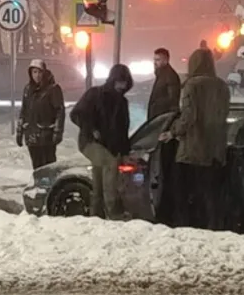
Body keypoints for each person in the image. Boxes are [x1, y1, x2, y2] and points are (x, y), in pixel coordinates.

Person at [160, 48, 231, 230]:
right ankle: (214, 226)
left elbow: (188, 117)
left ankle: (189, 226)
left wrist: (172, 132)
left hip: (194, 148)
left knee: (185, 191)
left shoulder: (192, 85)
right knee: (211, 192)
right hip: (216, 149)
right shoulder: (222, 86)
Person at [70, 64, 133, 220]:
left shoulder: (123, 103)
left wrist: (124, 152)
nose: (122, 86)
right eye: (119, 82)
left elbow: (123, 131)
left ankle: (96, 216)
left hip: (109, 146)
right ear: (112, 80)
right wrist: (91, 130)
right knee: (110, 164)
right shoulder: (95, 94)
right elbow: (76, 114)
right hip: (90, 142)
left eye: (125, 83)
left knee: (99, 179)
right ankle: (114, 214)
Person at [16, 59, 65, 170]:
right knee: (37, 167)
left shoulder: (52, 89)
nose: (37, 75)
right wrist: (20, 131)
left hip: (46, 136)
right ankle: (38, 185)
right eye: (34, 72)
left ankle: (49, 186)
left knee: (49, 166)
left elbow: (60, 111)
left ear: (44, 72)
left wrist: (57, 132)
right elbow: (24, 111)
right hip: (32, 136)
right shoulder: (28, 89)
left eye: (39, 72)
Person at [147, 47, 181, 120]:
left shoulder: (170, 76)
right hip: (158, 118)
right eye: (154, 59)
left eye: (158, 60)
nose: (155, 62)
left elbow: (173, 100)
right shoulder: (162, 75)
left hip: (162, 119)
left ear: (166, 60)